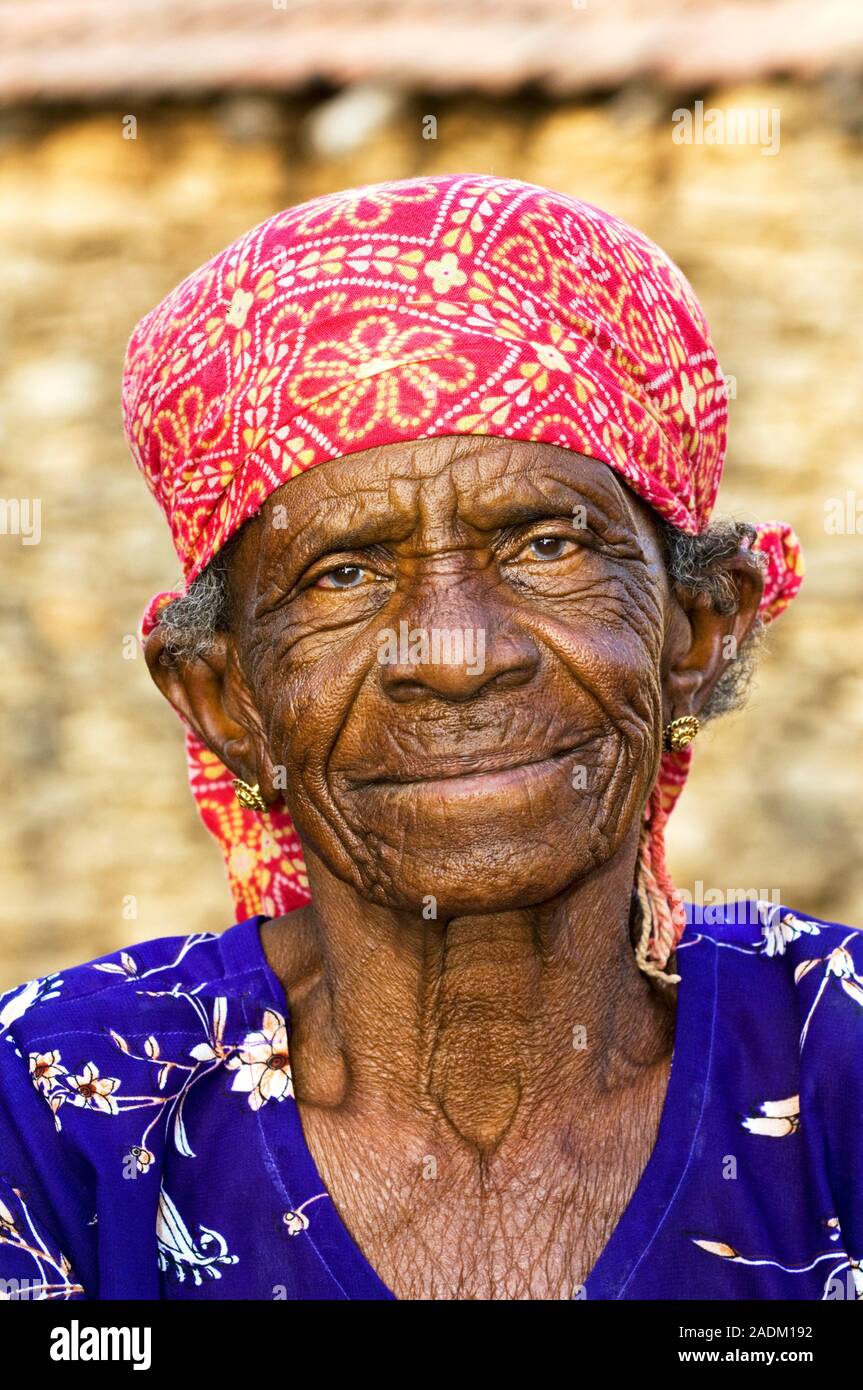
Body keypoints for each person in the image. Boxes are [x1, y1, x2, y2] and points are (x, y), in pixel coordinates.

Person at [2, 175, 856, 1303]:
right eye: (341, 574)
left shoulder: (833, 1061)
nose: (456, 655)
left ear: (695, 630)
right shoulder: (59, 1109)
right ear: (223, 701)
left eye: (546, 544)